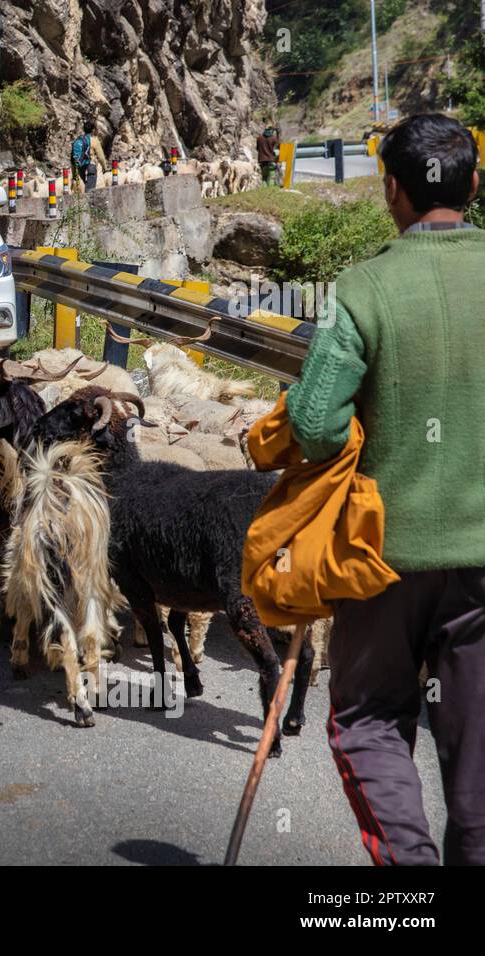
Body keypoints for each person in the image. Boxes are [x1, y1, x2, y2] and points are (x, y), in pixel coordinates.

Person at [285, 113, 484, 865]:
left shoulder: (363, 287)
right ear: (475, 183)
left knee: (368, 716)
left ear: (391, 193)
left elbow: (313, 424)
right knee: (478, 744)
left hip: (383, 557)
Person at [71, 120, 109, 193]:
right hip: (91, 166)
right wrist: (104, 167)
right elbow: (101, 157)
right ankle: (88, 203)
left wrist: (74, 173)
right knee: (90, 191)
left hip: (80, 168)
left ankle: (81, 204)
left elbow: (74, 157)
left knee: (81, 191)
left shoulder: (78, 140)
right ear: (93, 130)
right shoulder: (95, 140)